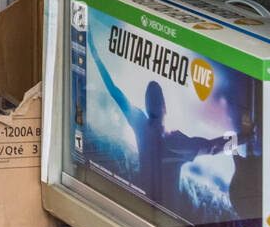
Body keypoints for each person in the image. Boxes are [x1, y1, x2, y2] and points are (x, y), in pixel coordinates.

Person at [87, 24, 232, 211]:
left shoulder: (139, 122)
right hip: (168, 214)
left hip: (142, 205)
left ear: (147, 106)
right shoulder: (176, 141)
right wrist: (242, 138)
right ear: (165, 107)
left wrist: (95, 55)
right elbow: (213, 148)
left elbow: (114, 91)